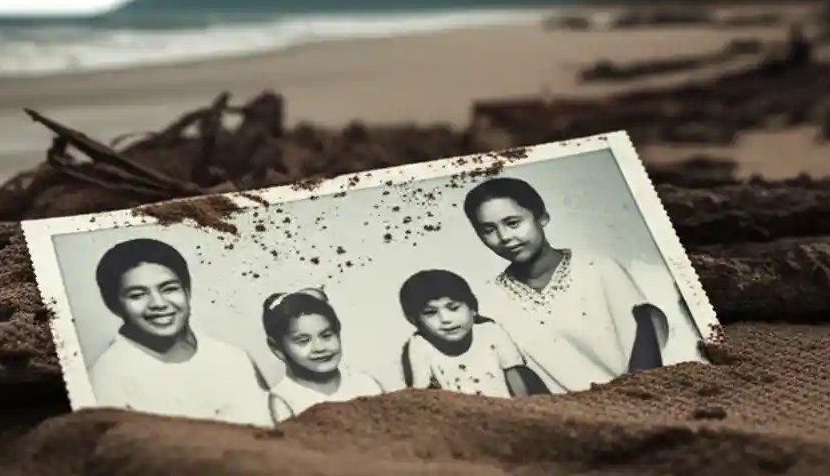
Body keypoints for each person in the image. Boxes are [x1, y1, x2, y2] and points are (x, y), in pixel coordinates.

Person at [462, 177, 691, 394]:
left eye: (513, 223)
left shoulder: (598, 269)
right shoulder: (487, 302)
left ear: (542, 218)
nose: (504, 237)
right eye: (489, 230)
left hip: (636, 400)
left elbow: (649, 337)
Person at [89, 238, 273, 427]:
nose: (158, 304)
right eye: (137, 295)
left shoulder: (234, 357)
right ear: (114, 305)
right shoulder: (107, 377)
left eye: (169, 289)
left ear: (187, 291)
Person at [397, 269, 532, 399]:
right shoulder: (420, 345)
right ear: (414, 321)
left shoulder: (490, 331)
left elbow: (515, 376)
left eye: (453, 308)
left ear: (472, 308)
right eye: (430, 313)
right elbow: (421, 395)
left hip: (503, 410)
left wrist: (524, 411)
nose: (445, 319)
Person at [262, 286, 384, 423]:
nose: (319, 348)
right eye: (303, 341)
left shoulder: (365, 384)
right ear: (277, 348)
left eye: (326, 336)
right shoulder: (282, 400)